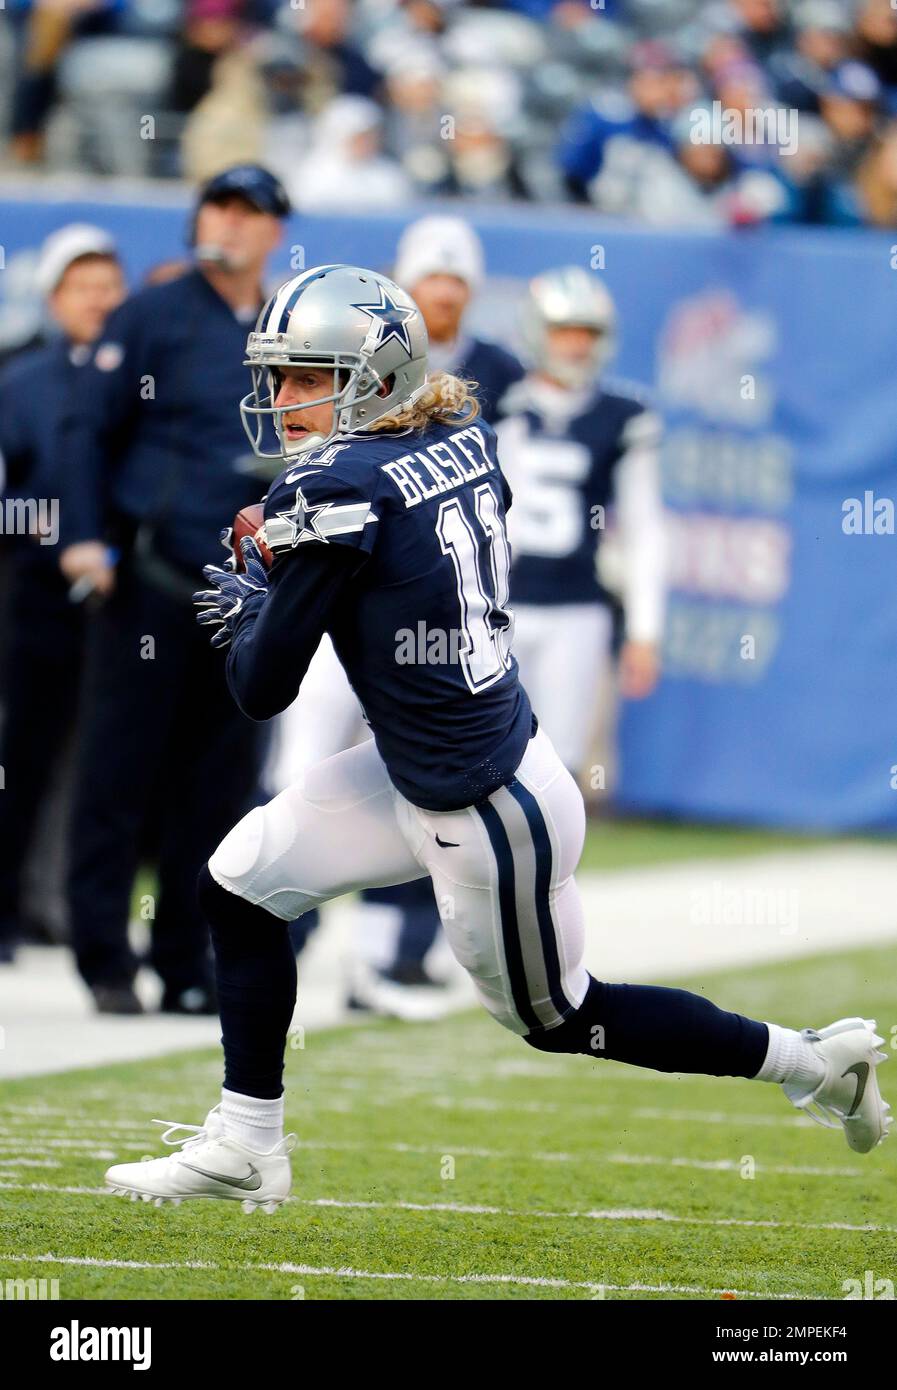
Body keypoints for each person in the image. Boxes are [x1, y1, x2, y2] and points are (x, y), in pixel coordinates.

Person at [102, 264, 890, 1209]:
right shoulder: (451, 426)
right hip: (426, 758)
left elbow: (261, 690)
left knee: (561, 1016)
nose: (283, 400)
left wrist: (257, 598)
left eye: (309, 376)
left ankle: (811, 1063)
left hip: (484, 804)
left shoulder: (340, 487)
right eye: (277, 376)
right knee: (238, 890)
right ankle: (245, 1144)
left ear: (373, 377)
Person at [265, 216, 526, 1014]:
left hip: (412, 624)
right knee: (299, 777)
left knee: (407, 786)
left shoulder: (474, 394)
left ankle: (385, 955)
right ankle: (285, 945)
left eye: (310, 378)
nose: (285, 399)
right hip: (362, 611)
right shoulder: (393, 415)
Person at [57, 164, 291, 1015]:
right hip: (153, 578)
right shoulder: (152, 314)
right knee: (120, 773)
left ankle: (189, 961)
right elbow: (86, 426)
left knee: (220, 789)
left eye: (247, 211)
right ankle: (103, 956)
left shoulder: (290, 323)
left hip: (250, 594)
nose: (227, 223)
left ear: (274, 228)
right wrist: (84, 535)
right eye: (217, 206)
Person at [0, 224, 126, 964]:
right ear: (55, 296)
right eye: (84, 287)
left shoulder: (137, 379)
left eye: (109, 286)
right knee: (24, 752)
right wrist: (58, 532)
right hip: (39, 592)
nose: (99, 301)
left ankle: (79, 912)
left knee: (106, 766)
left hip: (124, 598)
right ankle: (8, 906)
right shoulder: (21, 384)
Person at [494, 266, 665, 778]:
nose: (575, 345)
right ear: (536, 332)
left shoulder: (624, 414)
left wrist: (645, 629)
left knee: (558, 766)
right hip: (499, 604)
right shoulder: (499, 404)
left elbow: (644, 525)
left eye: (586, 333)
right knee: (481, 754)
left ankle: (549, 861)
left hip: (577, 606)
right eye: (564, 331)